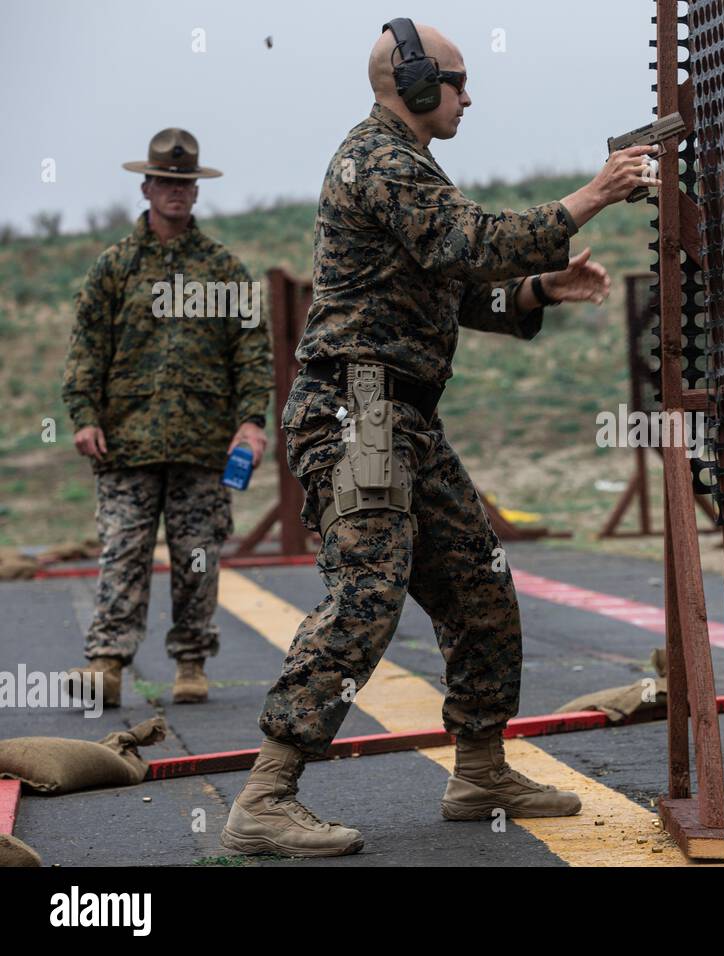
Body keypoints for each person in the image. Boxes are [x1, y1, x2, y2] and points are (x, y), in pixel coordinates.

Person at [219, 19, 658, 857]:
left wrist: (537, 292)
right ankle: (264, 796)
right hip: (356, 416)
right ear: (413, 84)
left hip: (400, 418)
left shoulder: (410, 165)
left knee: (479, 584)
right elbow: (472, 241)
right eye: (455, 81)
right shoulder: (379, 159)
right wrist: (592, 195)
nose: (466, 96)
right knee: (368, 595)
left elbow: (452, 286)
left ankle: (480, 770)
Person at [61, 129, 272, 709]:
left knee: (197, 556)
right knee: (123, 552)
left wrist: (251, 423)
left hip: (205, 445)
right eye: (166, 183)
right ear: (147, 187)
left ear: (195, 193)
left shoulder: (225, 270)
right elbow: (86, 349)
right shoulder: (115, 268)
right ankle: (106, 662)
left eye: (185, 184)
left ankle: (191, 660)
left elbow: (252, 354)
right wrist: (83, 415)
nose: (176, 193)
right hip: (126, 442)